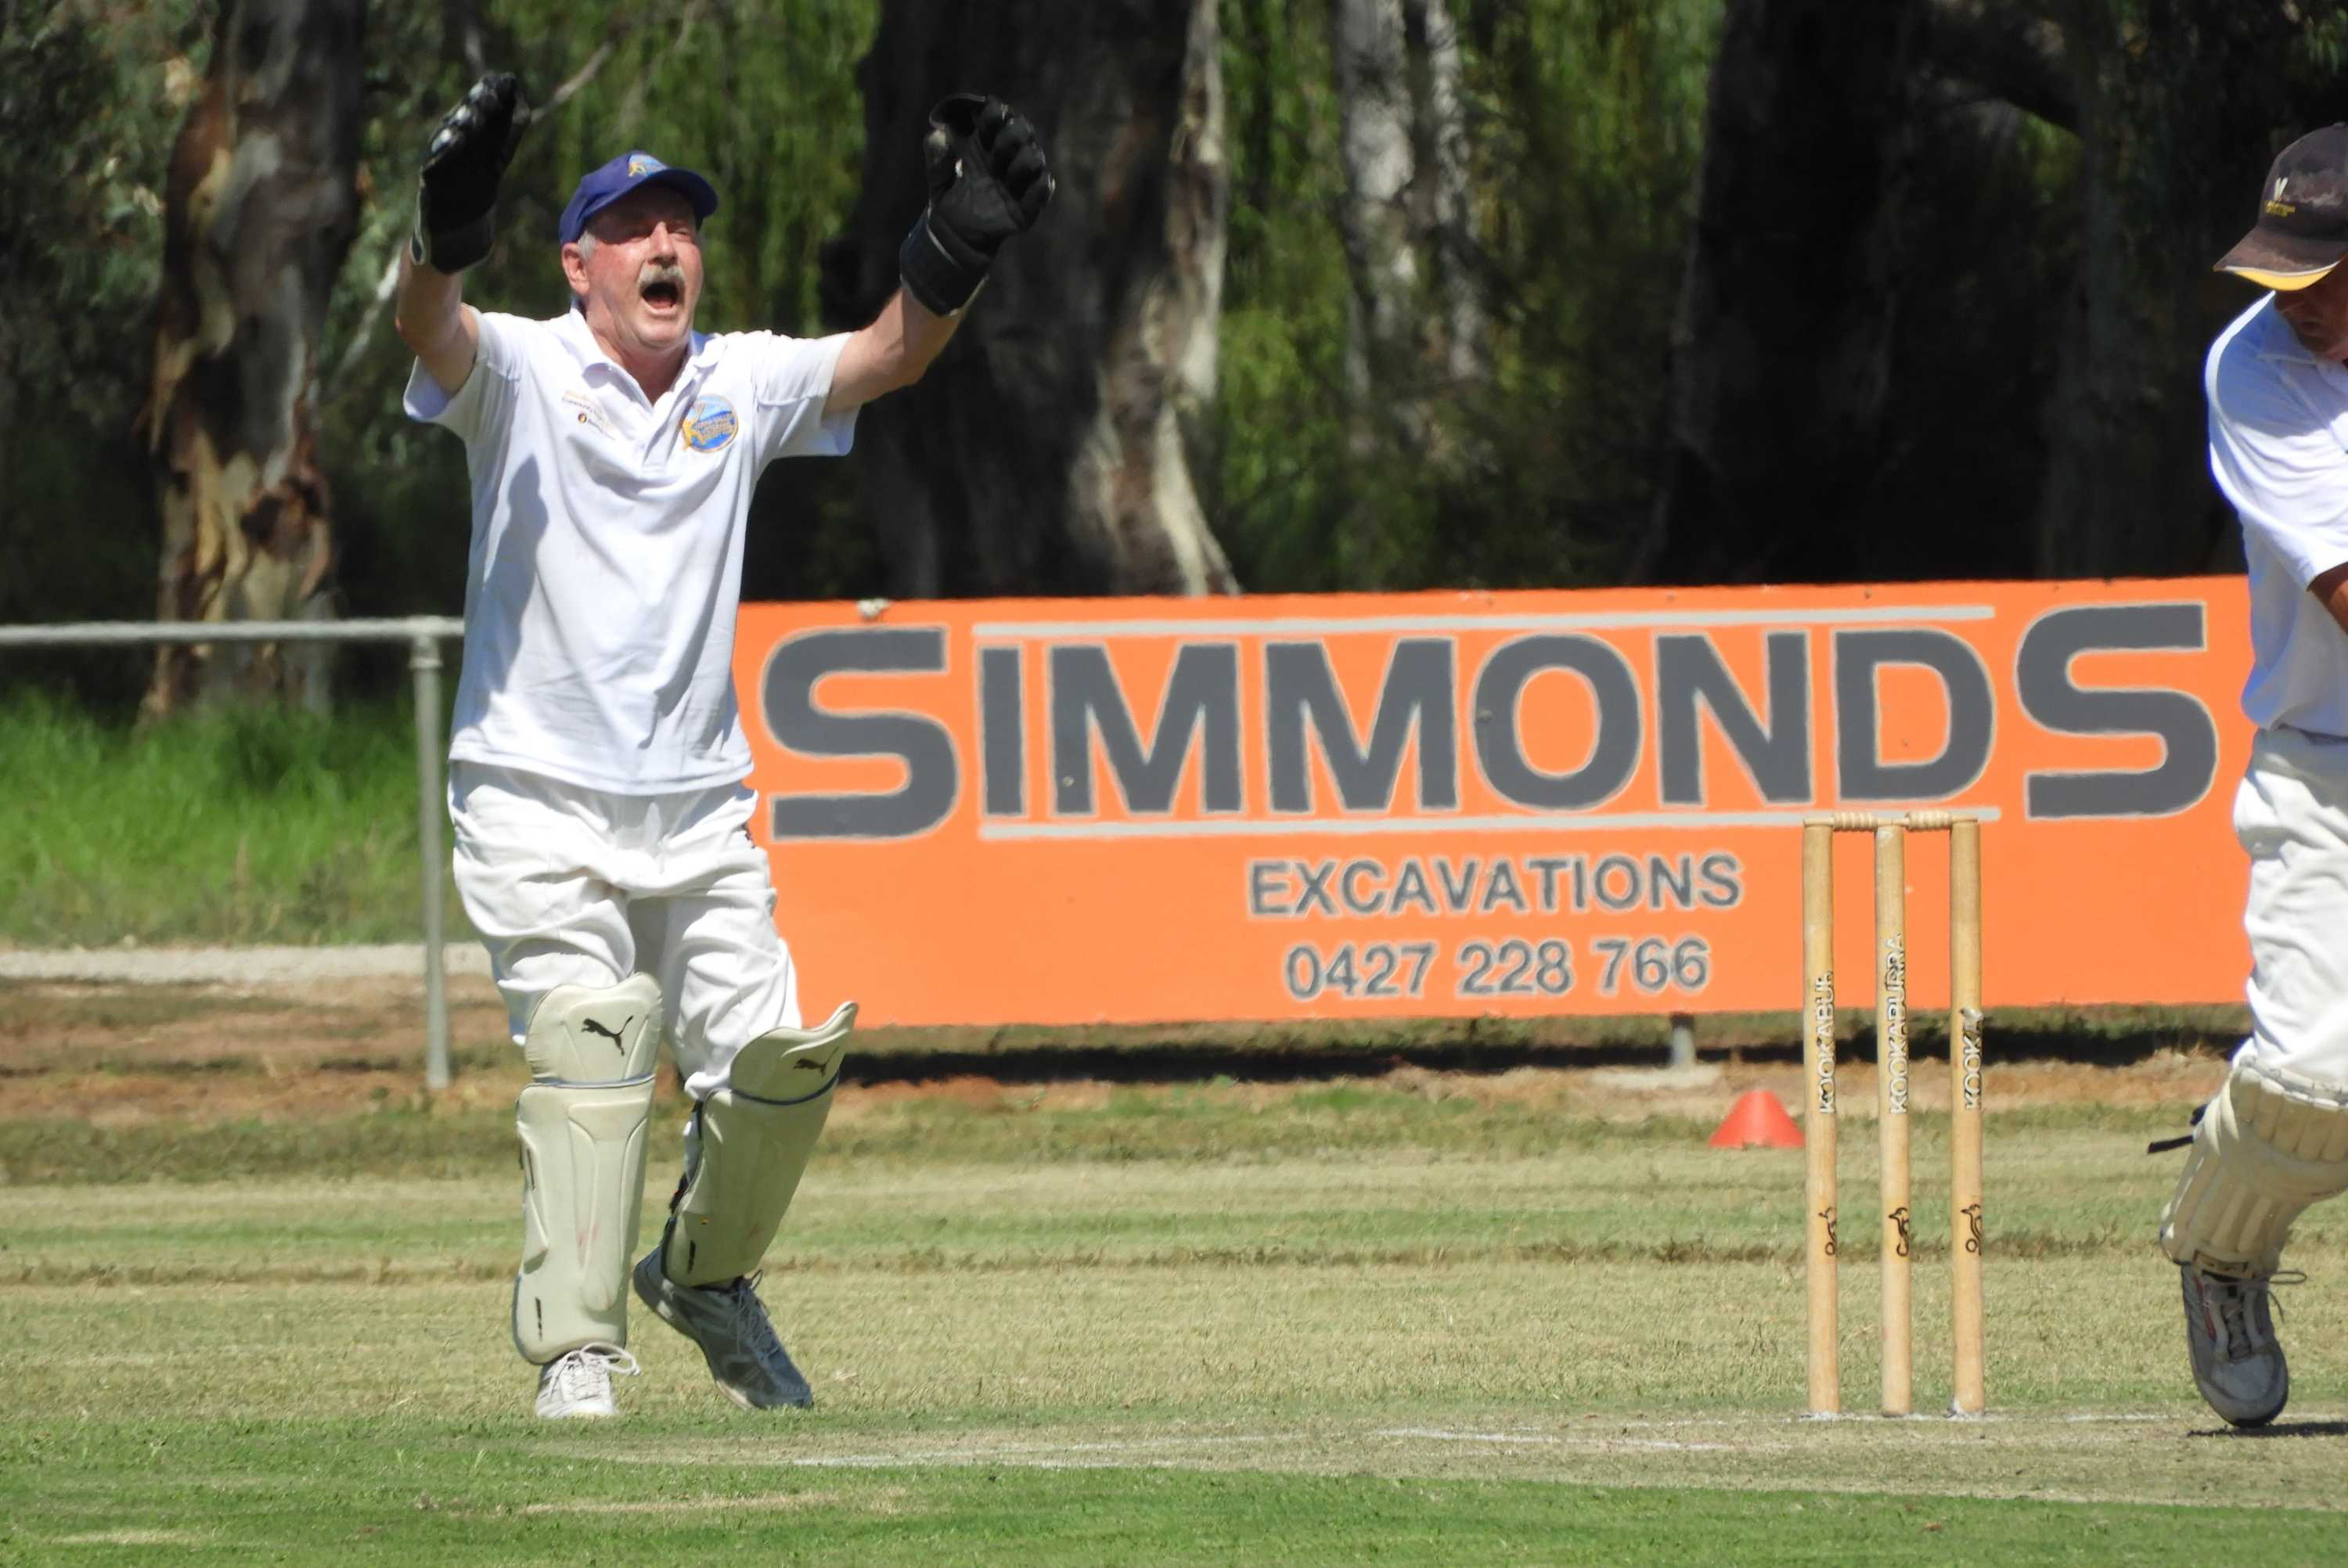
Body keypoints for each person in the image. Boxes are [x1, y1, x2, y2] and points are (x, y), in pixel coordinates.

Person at [394, 74, 1053, 1419]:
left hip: (699, 813)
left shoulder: (737, 382)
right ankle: (577, 1352)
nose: (665, 246)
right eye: (632, 228)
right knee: (595, 1045)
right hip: (533, 797)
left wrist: (958, 244)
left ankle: (702, 1280)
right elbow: (428, 325)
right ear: (578, 266)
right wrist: (438, 231)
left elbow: (890, 354)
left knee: (783, 1068)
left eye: (680, 227)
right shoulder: (519, 370)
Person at [2159, 123, 2348, 1428]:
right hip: (2325, 771)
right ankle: (2221, 1250)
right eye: (2282, 274)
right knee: (2323, 1080)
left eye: (2326, 276)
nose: (2299, 305)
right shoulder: (2259, 374)